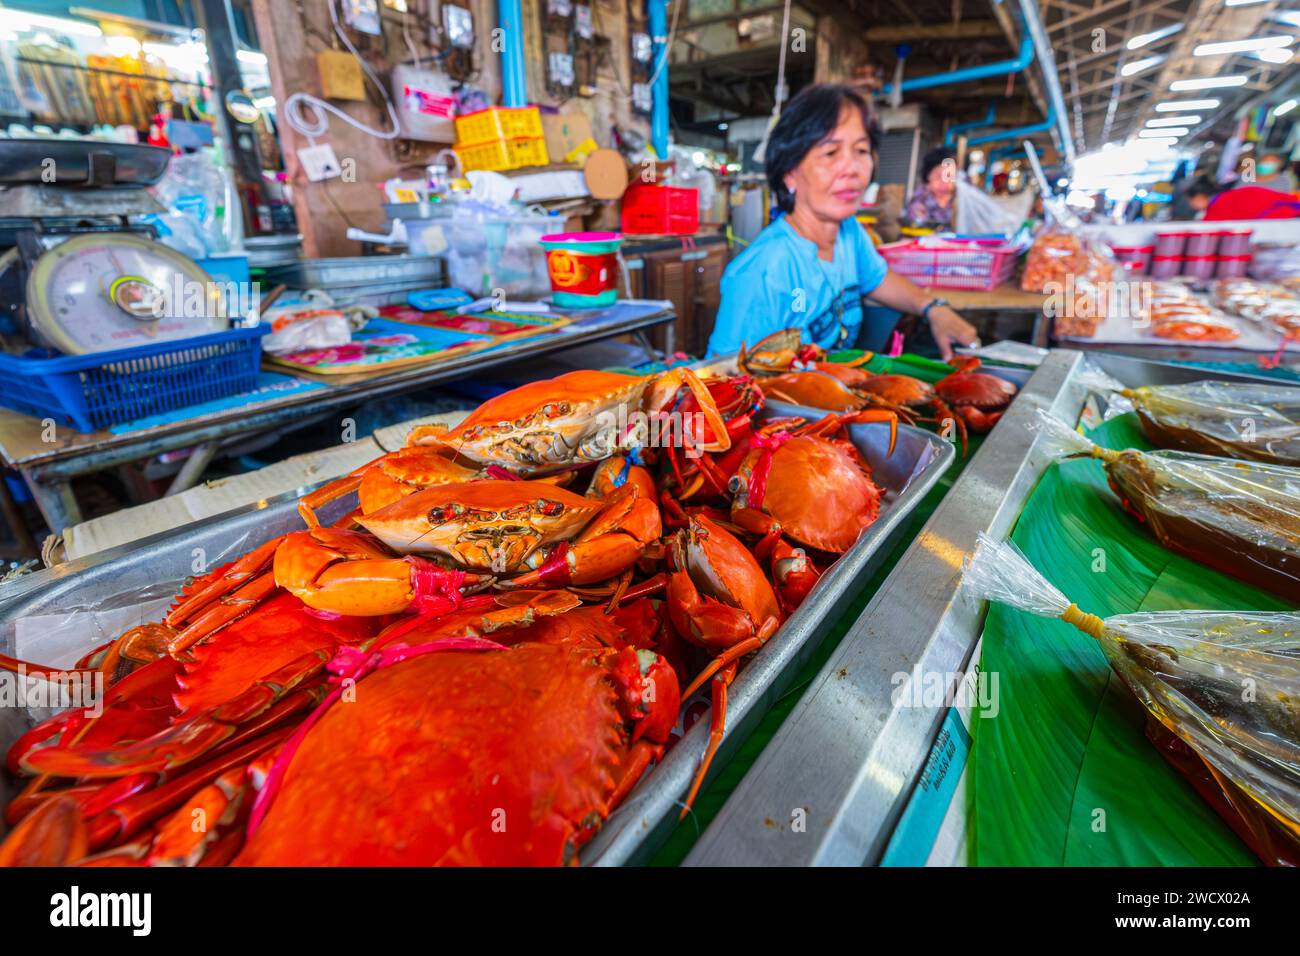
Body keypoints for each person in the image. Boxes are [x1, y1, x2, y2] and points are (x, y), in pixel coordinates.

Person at [706, 84, 978, 359]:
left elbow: (878, 279)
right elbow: (727, 380)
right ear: (789, 173)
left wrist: (934, 308)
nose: (852, 169)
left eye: (861, 150)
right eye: (830, 153)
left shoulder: (849, 231)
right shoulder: (764, 272)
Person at [905, 147, 958, 227]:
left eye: (949, 177)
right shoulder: (919, 202)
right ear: (927, 176)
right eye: (939, 177)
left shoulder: (961, 201)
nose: (945, 183)